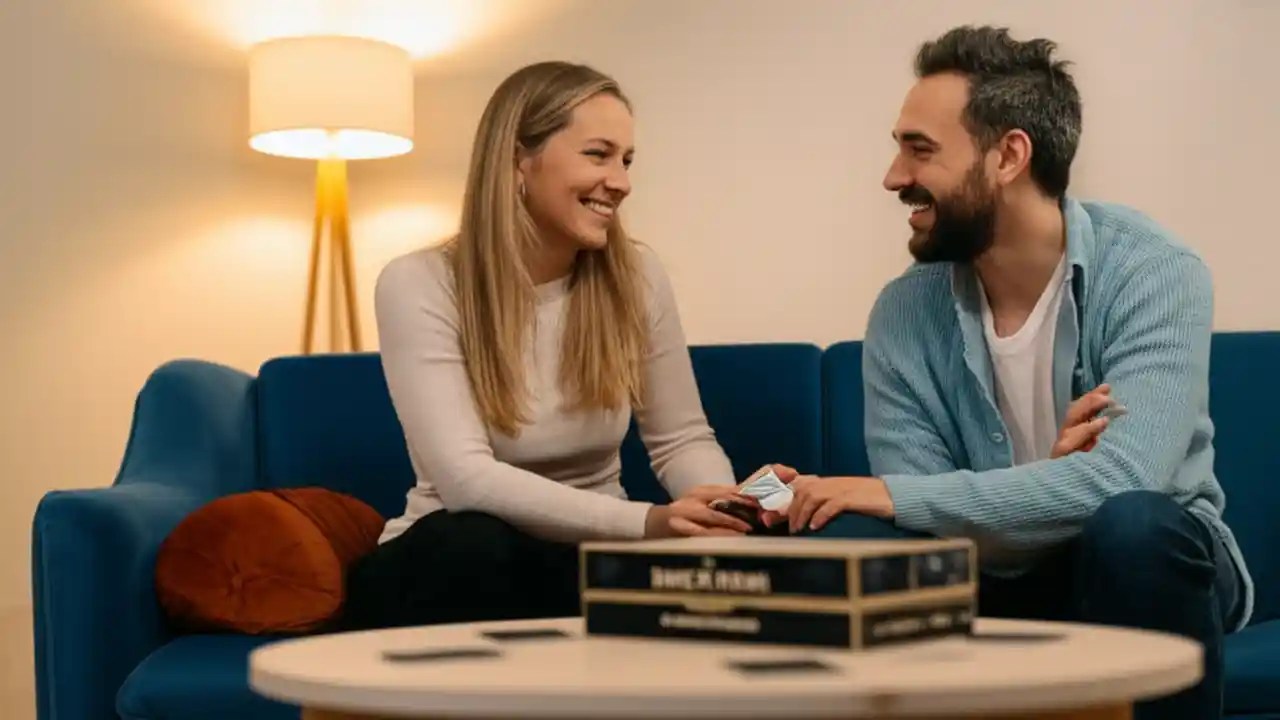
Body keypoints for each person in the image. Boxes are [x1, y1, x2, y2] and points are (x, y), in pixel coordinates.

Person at [773, 25, 1252, 720]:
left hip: (1140, 568)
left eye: (920, 149)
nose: (893, 176)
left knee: (1133, 525)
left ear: (1009, 156)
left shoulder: (1152, 271)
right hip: (987, 575)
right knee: (854, 540)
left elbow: (1124, 481)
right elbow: (924, 528)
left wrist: (901, 494)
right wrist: (1047, 488)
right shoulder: (904, 312)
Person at [342, 61, 753, 631]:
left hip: (587, 560)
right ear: (518, 161)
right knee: (472, 544)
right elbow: (467, 480)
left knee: (667, 577)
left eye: (627, 160)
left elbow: (680, 438)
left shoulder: (637, 276)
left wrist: (721, 514)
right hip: (454, 566)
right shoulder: (419, 283)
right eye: (598, 154)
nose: (622, 181)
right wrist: (651, 523)